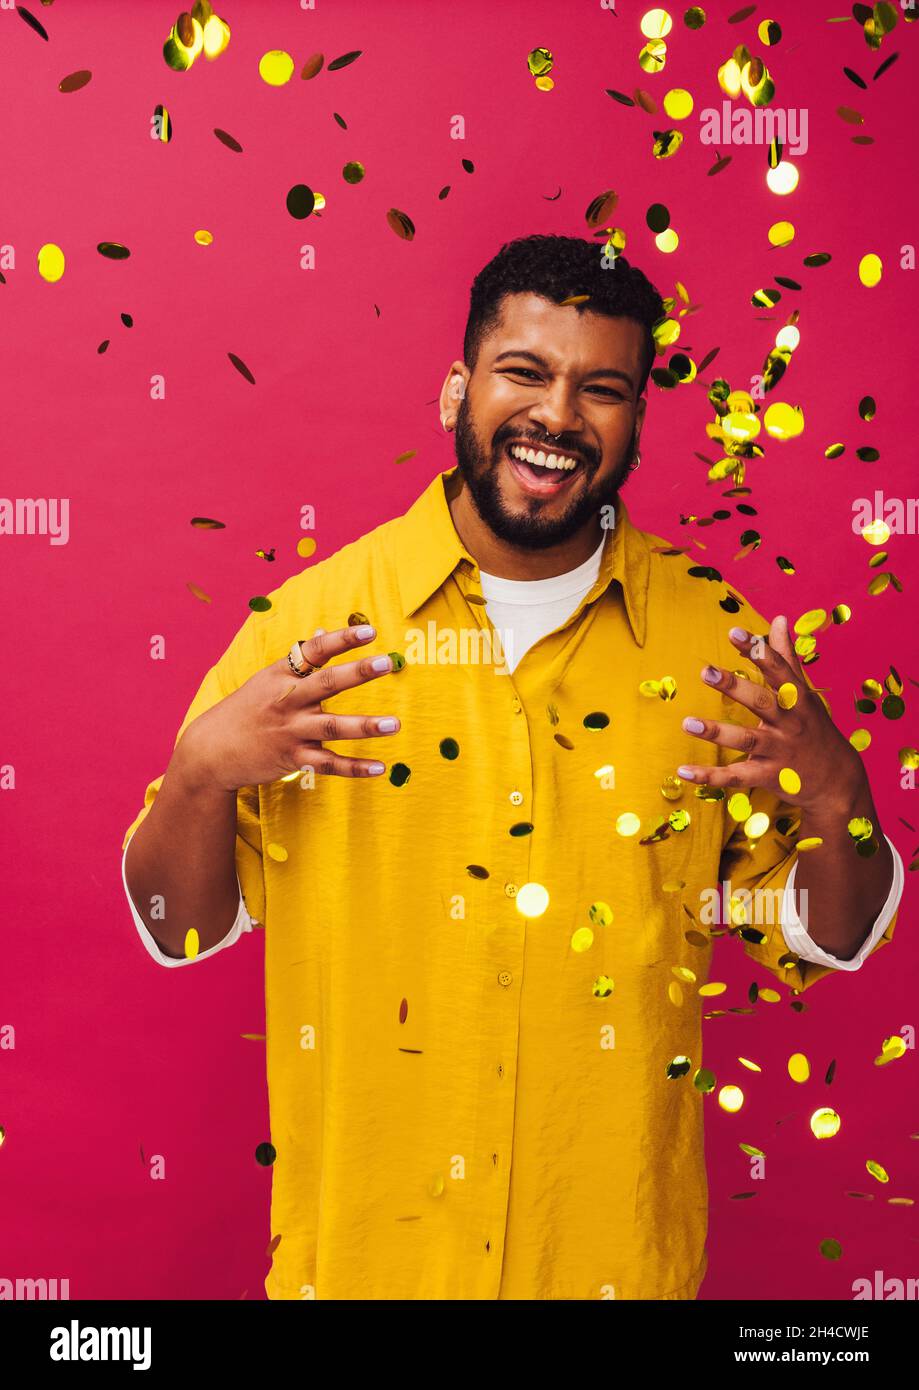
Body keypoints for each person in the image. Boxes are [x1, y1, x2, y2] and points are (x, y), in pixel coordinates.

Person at [122, 235, 903, 1301]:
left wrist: (841, 796)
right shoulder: (311, 628)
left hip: (611, 1266)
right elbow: (180, 924)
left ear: (634, 420)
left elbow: (833, 931)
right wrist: (198, 773)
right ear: (458, 387)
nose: (558, 417)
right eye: (525, 373)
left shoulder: (720, 647)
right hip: (363, 1267)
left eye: (603, 388)